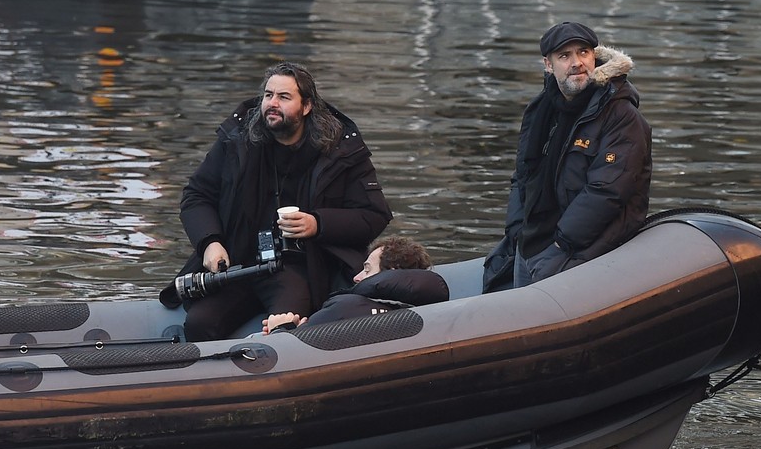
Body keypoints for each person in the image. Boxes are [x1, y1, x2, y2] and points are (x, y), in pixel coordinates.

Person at [160, 61, 393, 341]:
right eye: (268, 95)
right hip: (238, 263)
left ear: (306, 106)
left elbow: (374, 214)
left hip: (301, 268)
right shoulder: (237, 139)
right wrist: (210, 242)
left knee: (284, 329)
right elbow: (197, 195)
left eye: (284, 97)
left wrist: (318, 224)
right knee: (200, 323)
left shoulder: (341, 150)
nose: (272, 103)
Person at [483, 21, 651, 292]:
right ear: (548, 65)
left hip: (575, 248)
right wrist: (516, 229)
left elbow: (607, 191)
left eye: (584, 52)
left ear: (594, 57)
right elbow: (523, 175)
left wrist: (561, 243)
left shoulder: (621, 115)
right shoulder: (540, 109)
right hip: (532, 241)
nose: (577, 63)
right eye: (565, 56)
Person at [261, 235, 448, 333]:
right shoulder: (435, 312)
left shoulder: (345, 309)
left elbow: (293, 352)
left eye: (367, 269)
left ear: (391, 273)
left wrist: (281, 328)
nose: (357, 277)